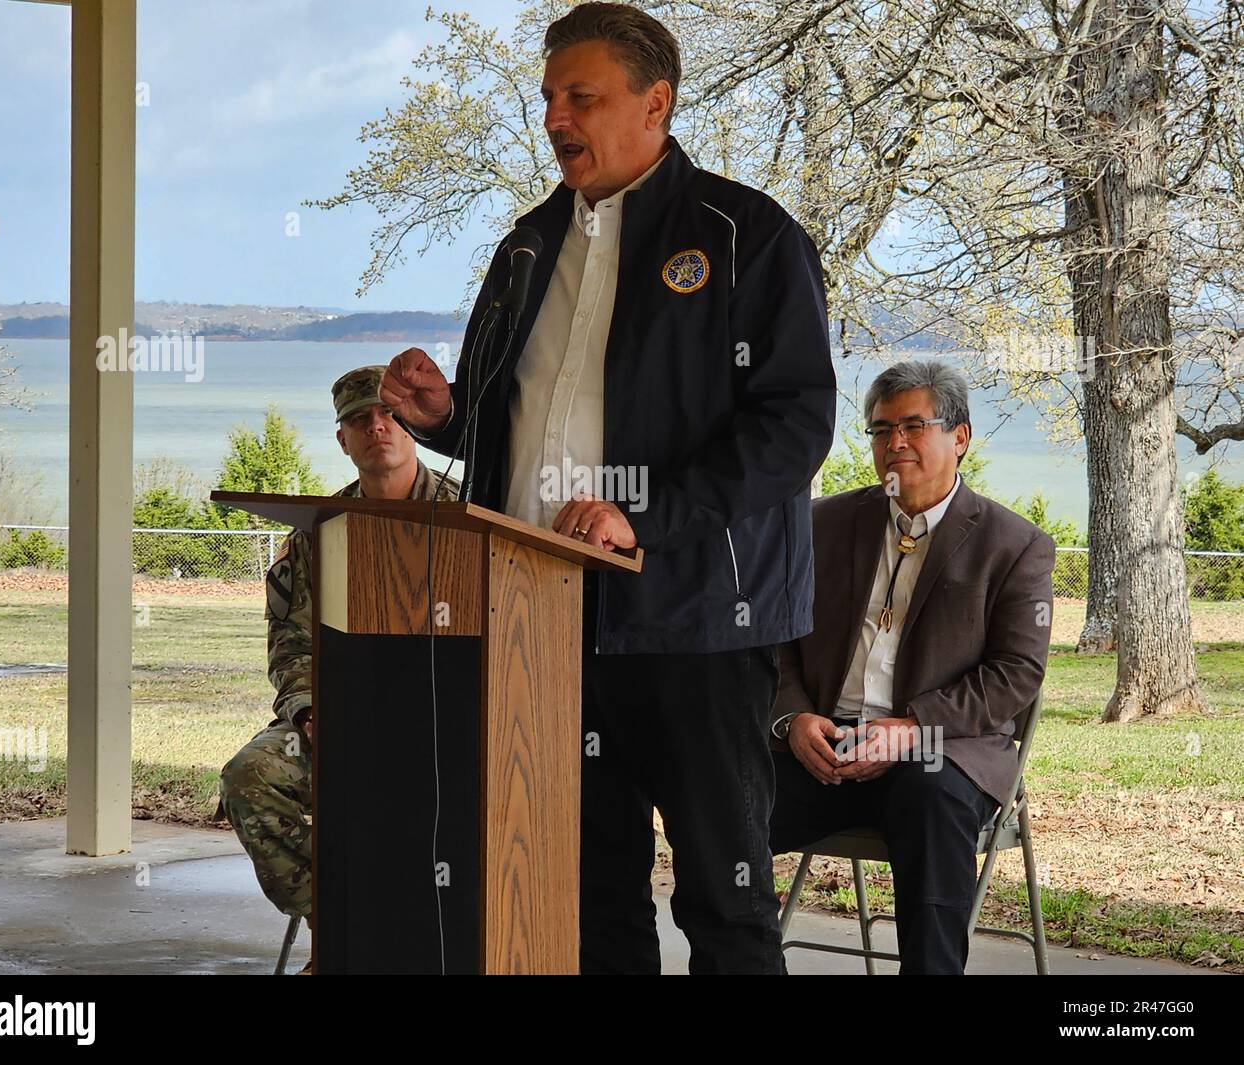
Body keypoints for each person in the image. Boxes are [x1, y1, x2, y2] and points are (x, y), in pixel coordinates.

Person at [380, 3, 835, 974]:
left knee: (725, 901)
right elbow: (510, 425)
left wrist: (647, 516)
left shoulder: (744, 235)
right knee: (587, 898)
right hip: (544, 620)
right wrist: (442, 418)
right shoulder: (525, 248)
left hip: (700, 624)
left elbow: (794, 427)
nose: (555, 118)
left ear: (654, 103)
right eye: (548, 98)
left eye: (580, 97)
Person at [768, 360, 1055, 974]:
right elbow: (776, 641)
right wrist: (792, 718)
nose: (894, 442)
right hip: (825, 744)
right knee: (722, 801)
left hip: (935, 750)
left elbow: (1015, 674)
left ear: (960, 437)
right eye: (879, 429)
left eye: (913, 426)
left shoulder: (1014, 544)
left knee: (930, 798)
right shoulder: (823, 524)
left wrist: (912, 727)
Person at [219, 365, 459, 973]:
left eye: (389, 414)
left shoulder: (471, 519)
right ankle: (346, 929)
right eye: (358, 419)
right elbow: (291, 647)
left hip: (449, 725)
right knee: (251, 776)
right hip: (342, 720)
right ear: (343, 440)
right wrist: (311, 716)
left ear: (414, 427)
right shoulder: (315, 534)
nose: (376, 426)